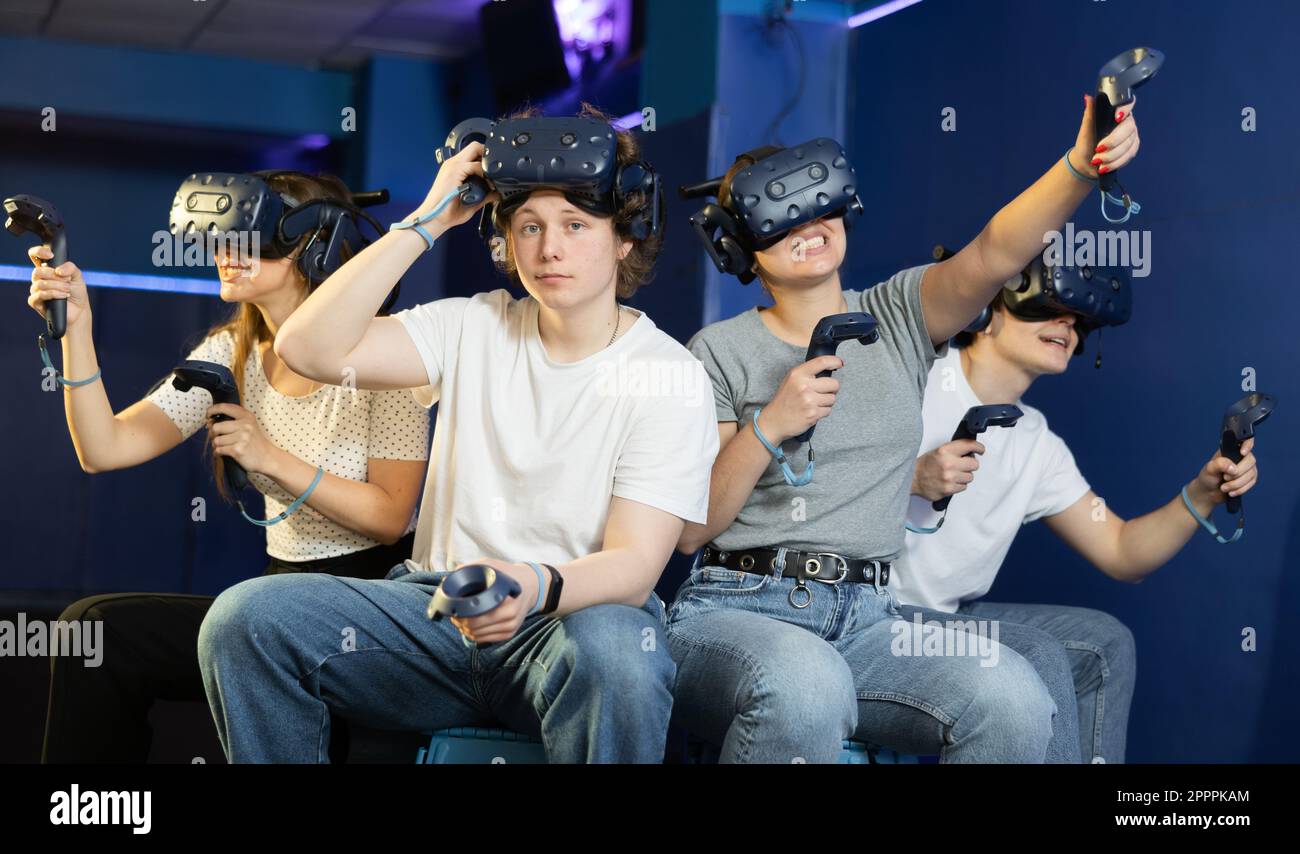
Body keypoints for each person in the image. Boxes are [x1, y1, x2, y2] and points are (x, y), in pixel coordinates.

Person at [197, 109, 719, 763]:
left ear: (625, 237)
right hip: (434, 615)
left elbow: (635, 568)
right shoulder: (469, 325)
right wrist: (428, 220)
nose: (549, 249)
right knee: (247, 619)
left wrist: (531, 585)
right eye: (528, 226)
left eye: (576, 226)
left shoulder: (668, 375)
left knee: (620, 651)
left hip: (563, 626)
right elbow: (306, 345)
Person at [670, 93, 1146, 762]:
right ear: (739, 245)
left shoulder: (899, 315)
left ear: (843, 208)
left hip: (870, 617)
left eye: (817, 202)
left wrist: (1078, 164)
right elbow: (692, 530)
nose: (804, 223)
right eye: (774, 217)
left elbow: (994, 253)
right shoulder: (715, 350)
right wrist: (770, 426)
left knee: (1013, 699)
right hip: (738, 608)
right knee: (806, 686)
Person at [26, 171, 430, 763]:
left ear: (311, 245)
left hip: (366, 609)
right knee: (98, 634)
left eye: (247, 238)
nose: (225, 254)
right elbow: (104, 447)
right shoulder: (230, 351)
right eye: (221, 238)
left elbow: (391, 517)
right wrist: (77, 328)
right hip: (270, 601)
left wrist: (269, 458)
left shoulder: (386, 358)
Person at [896, 283, 1261, 763]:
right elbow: (812, 477)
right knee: (1039, 658)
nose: (1067, 323)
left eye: (1077, 318)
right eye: (1047, 308)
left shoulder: (1035, 441)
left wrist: (1203, 493)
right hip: (873, 616)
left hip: (947, 620)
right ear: (987, 310)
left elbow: (1122, 552)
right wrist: (912, 478)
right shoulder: (912, 379)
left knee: (1104, 645)